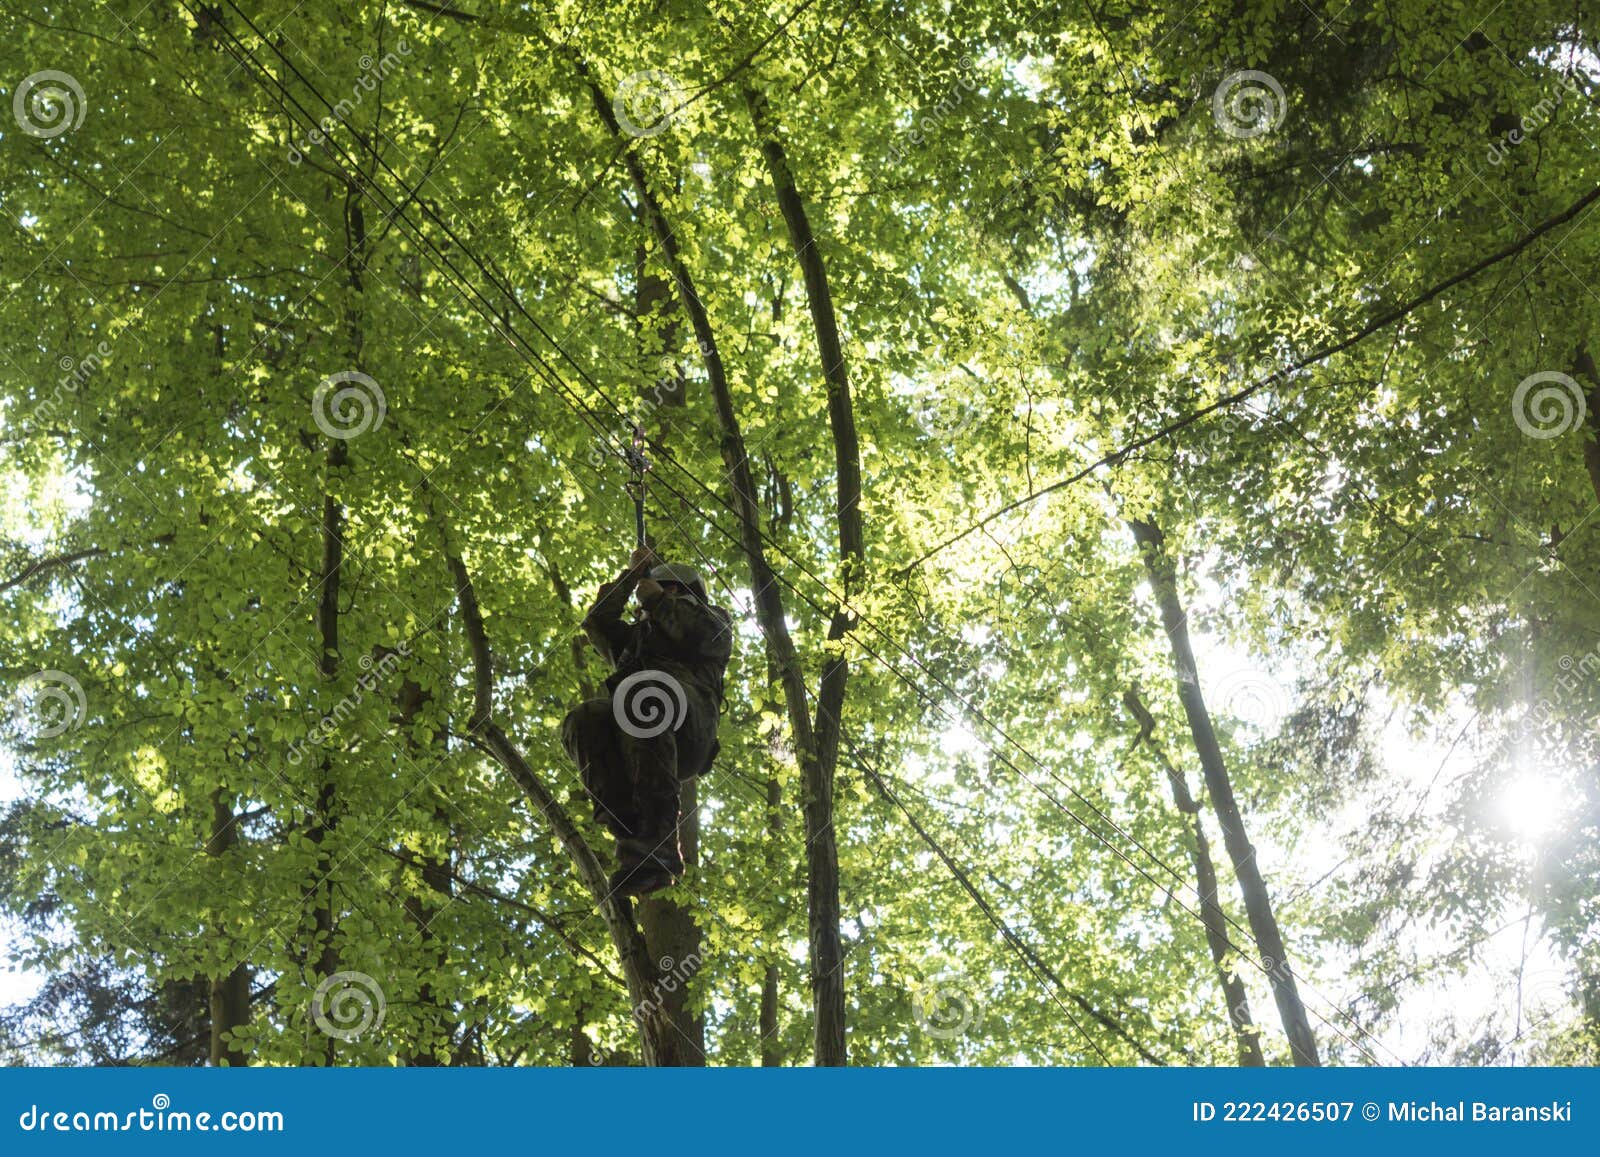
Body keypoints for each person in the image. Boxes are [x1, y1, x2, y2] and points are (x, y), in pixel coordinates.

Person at [561, 546, 732, 897]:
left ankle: (659, 848)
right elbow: (597, 623)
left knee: (645, 691)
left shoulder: (711, 620)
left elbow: (703, 635)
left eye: (665, 592)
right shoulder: (636, 640)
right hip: (638, 734)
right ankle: (633, 835)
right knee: (584, 719)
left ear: (678, 591)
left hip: (689, 729)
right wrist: (632, 576)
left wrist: (658, 600)